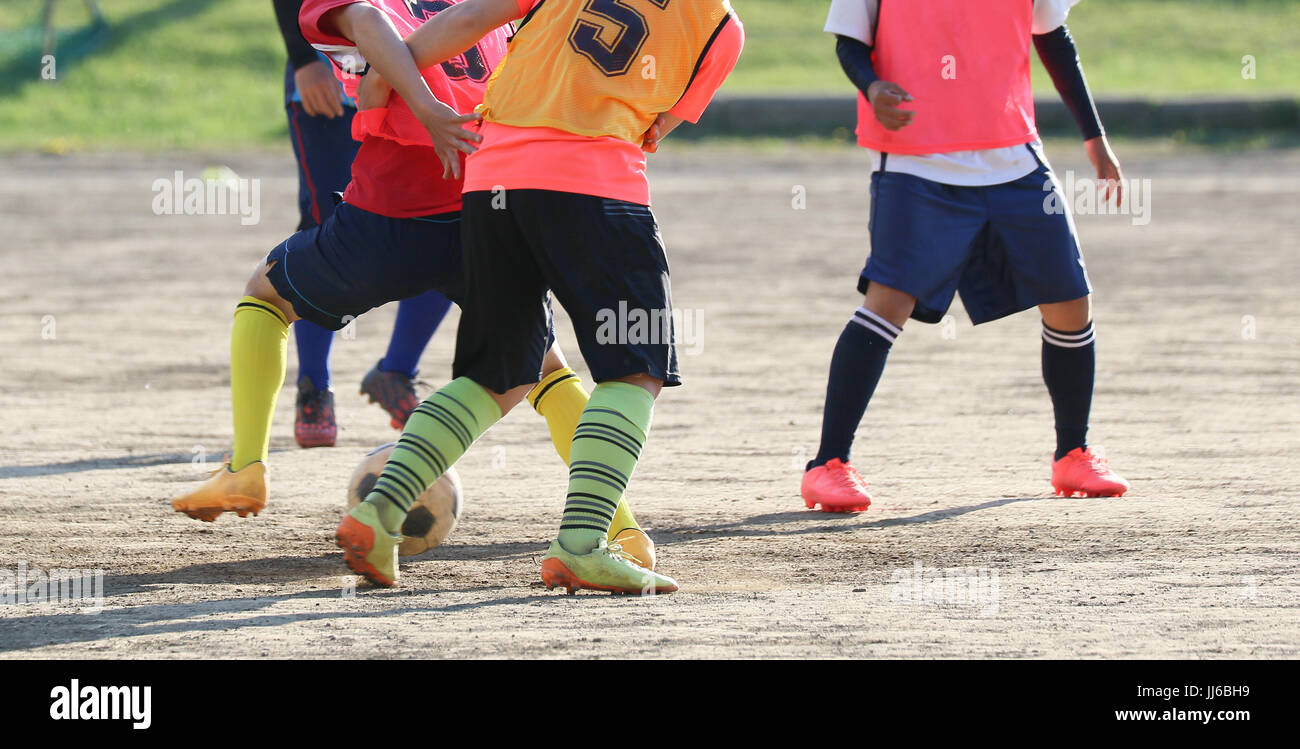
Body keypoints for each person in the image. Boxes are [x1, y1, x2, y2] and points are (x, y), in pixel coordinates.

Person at [173, 0, 657, 576]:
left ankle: (247, 467)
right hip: (487, 210)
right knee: (545, 371)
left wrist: (421, 106)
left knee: (266, 294)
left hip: (387, 219)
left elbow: (369, 27)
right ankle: (622, 530)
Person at [334, 0, 745, 592]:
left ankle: (378, 515)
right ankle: (581, 545)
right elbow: (656, 126)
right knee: (634, 369)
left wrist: (386, 72)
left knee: (496, 376)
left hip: (492, 175)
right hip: (596, 186)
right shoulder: (721, 30)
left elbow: (468, 20)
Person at [801, 0, 1131, 514]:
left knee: (1070, 297)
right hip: (914, 155)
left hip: (1012, 150)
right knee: (888, 302)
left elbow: (1052, 35)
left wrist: (1095, 136)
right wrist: (870, 85)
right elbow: (849, 41)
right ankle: (827, 464)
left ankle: (1073, 453)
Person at [272, 0, 454, 448]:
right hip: (333, 77)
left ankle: (396, 371)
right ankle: (314, 386)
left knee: (445, 221)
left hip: (429, 84)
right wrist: (302, 60)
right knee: (325, 224)